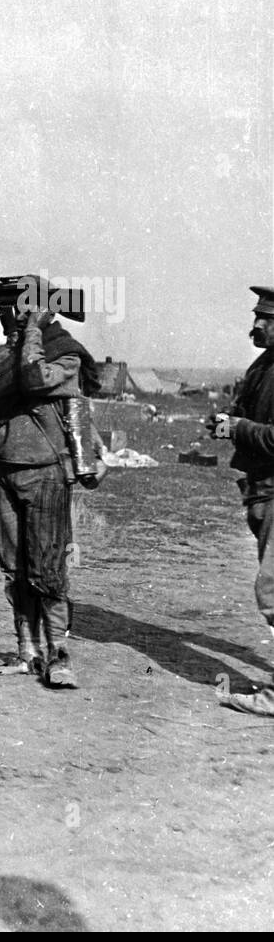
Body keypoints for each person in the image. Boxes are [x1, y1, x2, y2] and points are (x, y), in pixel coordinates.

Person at [0, 300, 98, 686]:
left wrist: (36, 331)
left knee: (48, 568)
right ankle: (27, 651)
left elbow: (36, 379)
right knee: (13, 566)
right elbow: (0, 406)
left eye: (17, 309)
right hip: (5, 469)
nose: (8, 317)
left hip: (45, 473)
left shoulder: (65, 353)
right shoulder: (8, 354)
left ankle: (59, 657)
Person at [209, 285, 274, 717]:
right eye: (257, 315)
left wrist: (235, 428)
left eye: (265, 318)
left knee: (272, 590)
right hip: (262, 489)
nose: (255, 324)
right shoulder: (264, 365)